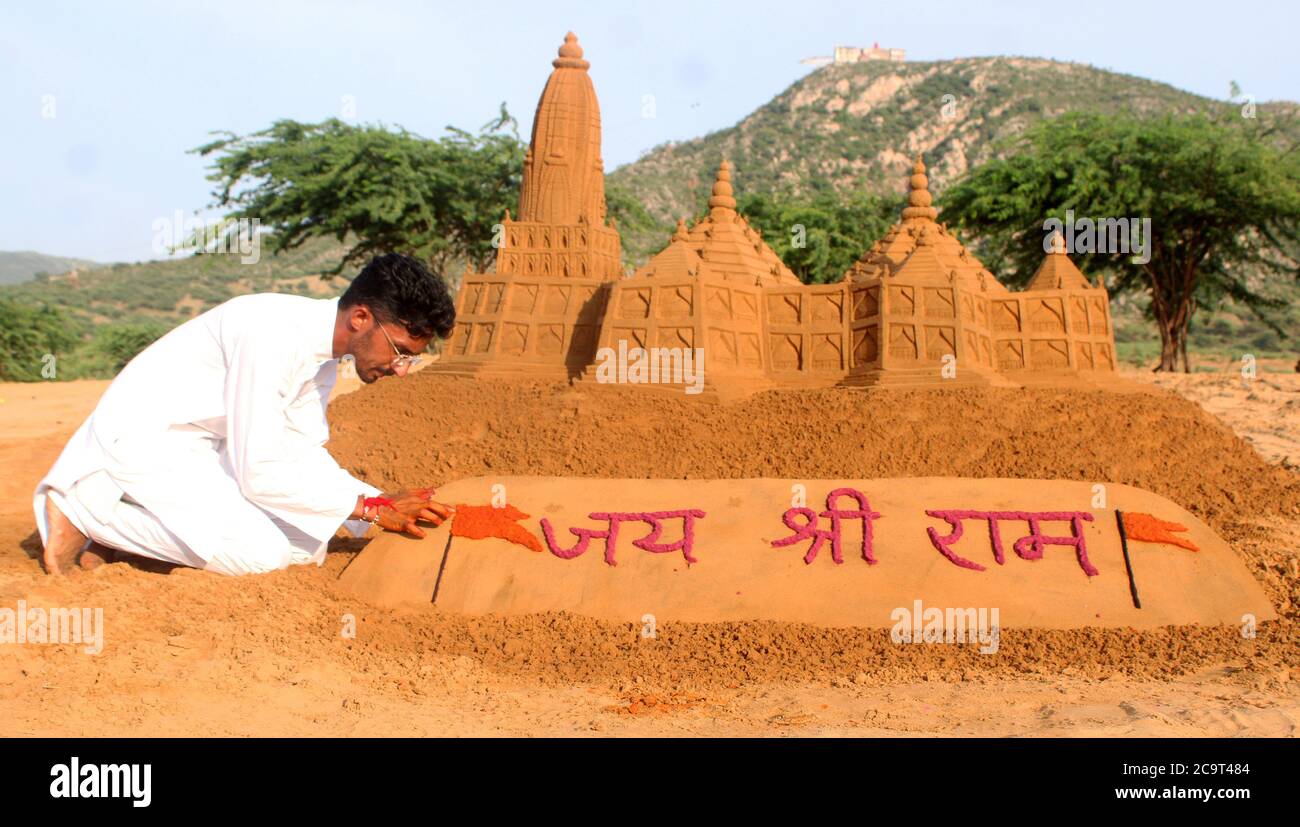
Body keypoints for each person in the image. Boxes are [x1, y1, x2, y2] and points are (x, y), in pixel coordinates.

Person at [34, 253, 456, 576]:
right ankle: (86, 509)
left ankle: (132, 539)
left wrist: (379, 500)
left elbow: (299, 453)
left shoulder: (324, 356)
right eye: (401, 352)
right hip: (144, 442)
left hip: (202, 447)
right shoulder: (272, 333)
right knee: (262, 555)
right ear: (361, 317)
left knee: (306, 545)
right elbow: (260, 471)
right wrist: (368, 510)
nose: (401, 369)